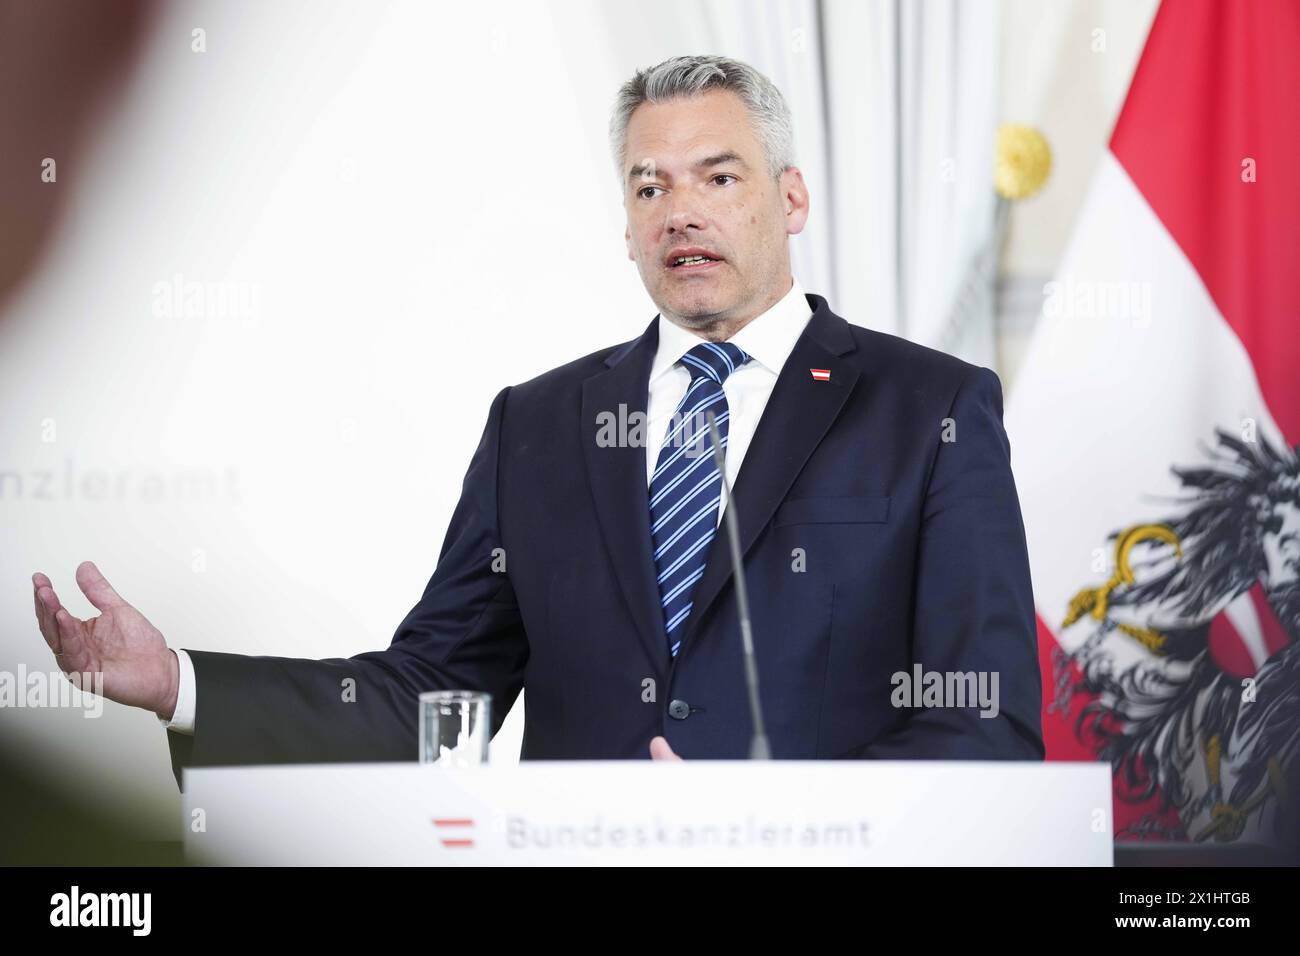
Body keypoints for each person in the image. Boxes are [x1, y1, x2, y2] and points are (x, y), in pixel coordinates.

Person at [32, 55, 1043, 784]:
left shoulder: (931, 408)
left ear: (790, 199)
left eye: (717, 177)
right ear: (627, 221)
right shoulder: (540, 424)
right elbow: (432, 690)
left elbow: (984, 727)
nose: (678, 211)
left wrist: (767, 822)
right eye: (649, 185)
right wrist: (180, 682)